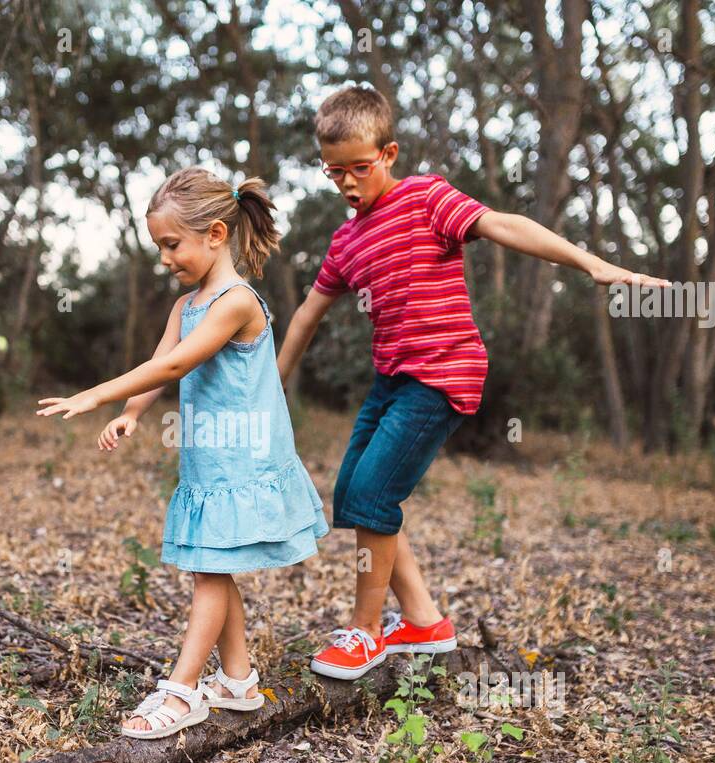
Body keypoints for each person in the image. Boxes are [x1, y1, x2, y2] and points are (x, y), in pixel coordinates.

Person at [274, 84, 670, 680]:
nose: (349, 183)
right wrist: (272, 387)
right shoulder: (344, 240)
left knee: (375, 496)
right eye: (335, 173)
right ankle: (425, 622)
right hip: (391, 379)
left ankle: (365, 632)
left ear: (388, 153)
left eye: (360, 167)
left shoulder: (426, 199)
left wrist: (591, 263)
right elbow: (307, 313)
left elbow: (503, 223)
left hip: (440, 374)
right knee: (355, 494)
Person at [37, 167, 328, 738]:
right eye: (159, 247)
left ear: (216, 234)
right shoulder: (186, 305)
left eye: (172, 244)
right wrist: (130, 412)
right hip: (208, 460)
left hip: (242, 461)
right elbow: (159, 364)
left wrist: (95, 394)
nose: (165, 258)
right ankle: (240, 681)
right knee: (210, 566)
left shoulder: (237, 301)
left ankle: (183, 690)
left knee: (210, 574)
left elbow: (176, 365)